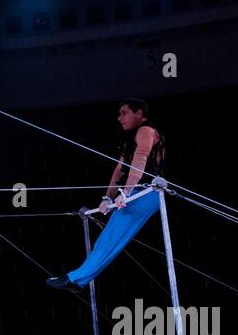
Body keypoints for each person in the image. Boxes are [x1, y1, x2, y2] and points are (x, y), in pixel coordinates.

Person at [47, 98, 166, 290]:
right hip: (136, 191)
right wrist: (107, 197)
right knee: (107, 239)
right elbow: (119, 170)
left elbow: (140, 160)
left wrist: (125, 193)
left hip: (148, 191)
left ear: (139, 113)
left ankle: (76, 279)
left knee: (111, 237)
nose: (119, 118)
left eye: (124, 113)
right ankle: (79, 279)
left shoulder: (146, 131)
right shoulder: (129, 140)